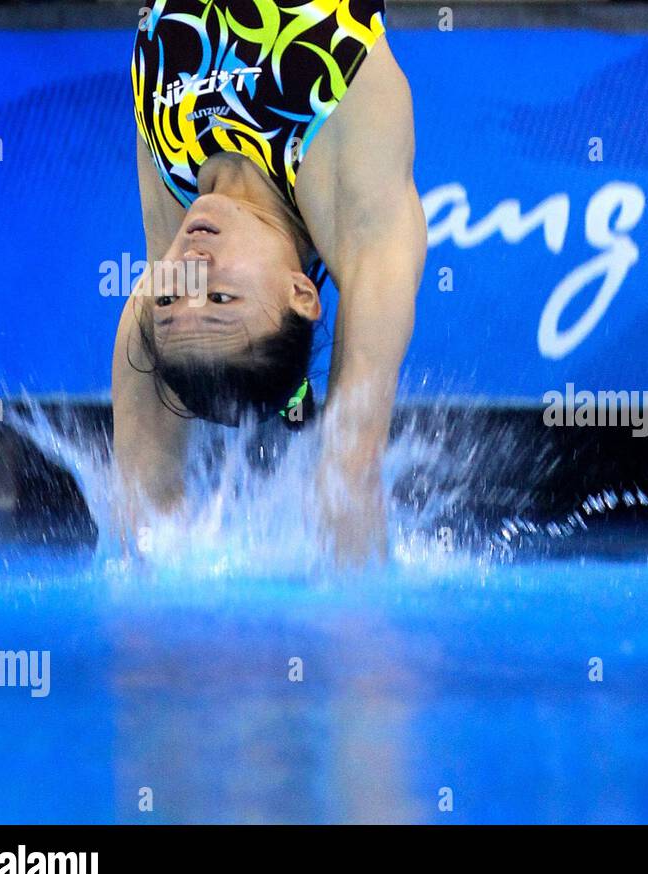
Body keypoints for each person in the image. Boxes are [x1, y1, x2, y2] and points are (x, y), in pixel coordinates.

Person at [113, 0, 425, 565]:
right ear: (300, 294)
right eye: (221, 298)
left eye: (173, 294)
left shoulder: (177, 171)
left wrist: (145, 537)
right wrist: (345, 465)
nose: (191, 269)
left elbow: (141, 496)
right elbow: (351, 461)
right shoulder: (345, 168)